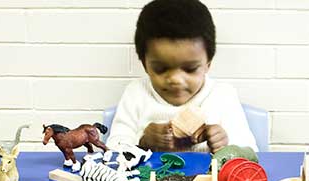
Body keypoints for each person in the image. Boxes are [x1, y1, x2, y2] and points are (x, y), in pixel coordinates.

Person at [105, 0, 257, 153]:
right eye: (161, 69)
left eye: (190, 69)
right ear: (145, 65)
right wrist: (143, 142)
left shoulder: (223, 96)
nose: (176, 80)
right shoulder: (136, 94)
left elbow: (251, 152)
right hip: (148, 176)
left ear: (208, 64)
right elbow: (112, 152)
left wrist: (226, 145)